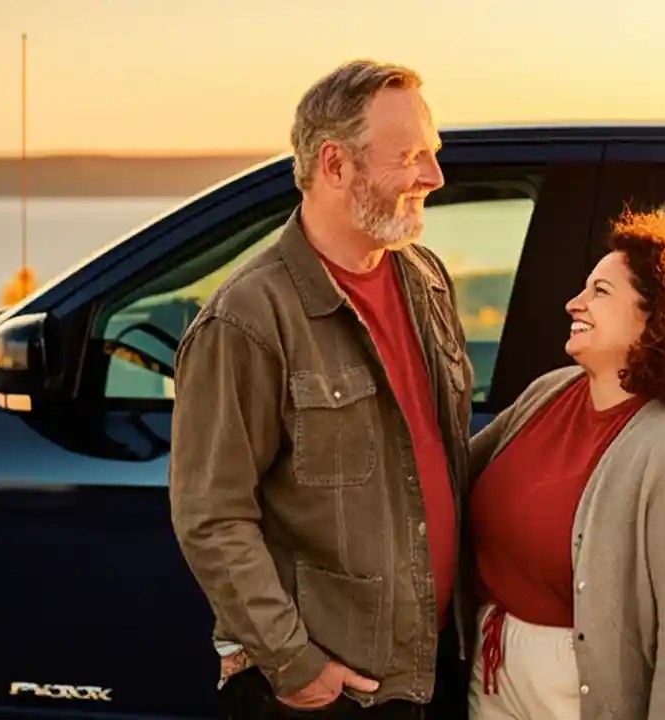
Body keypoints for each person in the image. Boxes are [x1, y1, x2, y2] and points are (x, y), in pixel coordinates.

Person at [168, 60, 474, 720]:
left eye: (434, 154)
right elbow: (211, 515)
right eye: (412, 157)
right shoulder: (248, 319)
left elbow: (439, 448)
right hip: (327, 693)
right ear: (335, 165)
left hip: (432, 669)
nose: (434, 177)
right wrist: (292, 664)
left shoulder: (427, 280)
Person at [467, 210, 665, 720]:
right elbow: (448, 484)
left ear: (656, 320)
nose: (575, 303)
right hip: (494, 670)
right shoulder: (549, 393)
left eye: (600, 292)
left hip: (577, 697)